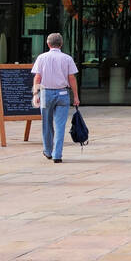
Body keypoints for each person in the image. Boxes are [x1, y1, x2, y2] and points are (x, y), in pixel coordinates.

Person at [31, 33, 80, 163]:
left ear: (48, 44)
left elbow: (37, 77)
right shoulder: (67, 58)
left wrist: (35, 95)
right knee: (60, 126)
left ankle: (48, 151)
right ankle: (57, 154)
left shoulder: (41, 58)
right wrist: (75, 96)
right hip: (63, 93)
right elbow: (71, 78)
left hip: (46, 93)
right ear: (61, 44)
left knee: (46, 124)